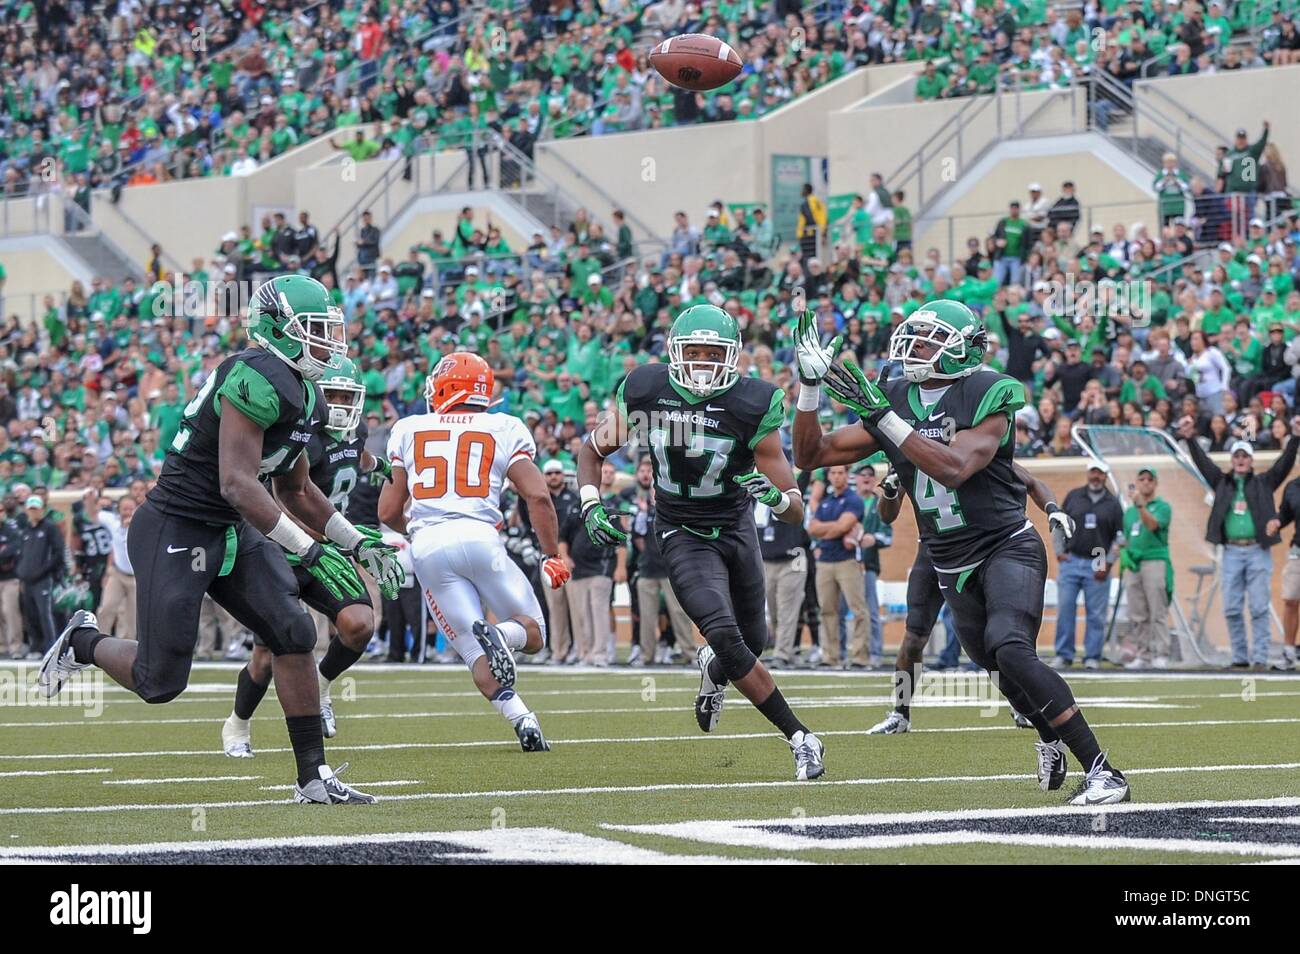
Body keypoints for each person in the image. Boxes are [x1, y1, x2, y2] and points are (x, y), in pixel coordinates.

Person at [37, 275, 404, 806]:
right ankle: (82, 643)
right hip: (177, 523)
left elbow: (296, 488)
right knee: (159, 681)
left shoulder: (305, 394)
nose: (329, 343)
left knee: (293, 632)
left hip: (231, 528)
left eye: (331, 331)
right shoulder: (255, 375)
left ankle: (312, 778)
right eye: (316, 331)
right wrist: (309, 548)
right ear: (277, 328)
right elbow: (236, 482)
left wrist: (352, 540)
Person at [793, 301, 1130, 804]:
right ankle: (1049, 738)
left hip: (1004, 545)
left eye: (929, 339)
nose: (914, 348)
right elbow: (810, 455)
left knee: (1011, 646)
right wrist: (809, 388)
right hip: (946, 557)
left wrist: (885, 418)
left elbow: (953, 467)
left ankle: (1104, 772)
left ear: (961, 349)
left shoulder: (987, 391)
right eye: (914, 337)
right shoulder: (897, 396)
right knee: (997, 667)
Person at [577, 305, 825, 781]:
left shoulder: (753, 401)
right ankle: (801, 737)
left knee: (752, 643)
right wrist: (591, 504)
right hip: (680, 529)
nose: (704, 363)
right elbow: (592, 450)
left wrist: (775, 499)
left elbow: (797, 508)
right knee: (725, 633)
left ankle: (714, 669)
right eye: (694, 352)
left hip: (734, 527)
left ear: (732, 357)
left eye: (714, 353)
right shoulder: (647, 389)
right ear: (674, 352)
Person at [379, 352, 571, 751]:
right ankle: (516, 687)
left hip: (429, 545)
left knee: (472, 649)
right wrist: (551, 553)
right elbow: (538, 496)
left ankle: (519, 713)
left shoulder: (409, 428)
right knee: (535, 634)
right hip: (481, 538)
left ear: (446, 387)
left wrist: (418, 531)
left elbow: (387, 511)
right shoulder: (503, 426)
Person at [221, 353, 392, 757]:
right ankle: (237, 724)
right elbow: (281, 500)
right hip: (284, 549)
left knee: (359, 625)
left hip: (329, 548)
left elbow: (357, 457)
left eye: (348, 397)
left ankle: (323, 687)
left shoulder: (356, 430)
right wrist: (324, 539)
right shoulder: (301, 435)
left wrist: (378, 466)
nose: (341, 406)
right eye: (332, 395)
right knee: (265, 656)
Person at [868, 461, 1071, 735]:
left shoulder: (973, 447)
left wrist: (1052, 510)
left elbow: (1031, 481)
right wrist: (890, 491)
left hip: (979, 549)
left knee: (1000, 635)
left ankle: (1020, 700)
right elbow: (886, 516)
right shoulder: (913, 452)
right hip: (934, 552)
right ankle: (900, 712)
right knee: (915, 635)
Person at [1179, 416, 1300, 668]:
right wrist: (1190, 438)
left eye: (1245, 456)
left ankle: (1259, 658)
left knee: (1258, 607)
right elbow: (1203, 463)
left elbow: (1284, 464)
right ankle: (1240, 658)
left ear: (1251, 460)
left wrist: (1296, 437)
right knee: (1232, 608)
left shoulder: (1264, 483)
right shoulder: (1222, 482)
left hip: (1257, 550)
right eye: (1237, 457)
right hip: (1232, 551)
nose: (1241, 460)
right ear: (1232, 461)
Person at [1052, 462, 1124, 670]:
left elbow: (1119, 537)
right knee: (1065, 608)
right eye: (1093, 472)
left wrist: (1107, 563)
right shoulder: (1074, 496)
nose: (1096, 476)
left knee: (1096, 614)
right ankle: (1064, 655)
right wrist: (1059, 551)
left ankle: (1092, 656)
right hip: (1072, 558)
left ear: (1105, 476)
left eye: (1100, 473)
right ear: (1088, 474)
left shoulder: (1113, 503)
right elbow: (1059, 524)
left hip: (1098, 557)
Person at [809, 464, 869, 668]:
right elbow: (812, 527)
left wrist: (826, 530)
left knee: (858, 610)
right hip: (825, 561)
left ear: (847, 475)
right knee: (827, 611)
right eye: (833, 473)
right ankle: (830, 656)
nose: (836, 476)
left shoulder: (854, 500)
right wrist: (835, 529)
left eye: (840, 473)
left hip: (847, 561)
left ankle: (860, 657)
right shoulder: (826, 501)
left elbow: (843, 526)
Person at [630, 487, 696, 665]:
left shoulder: (674, 510)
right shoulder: (646, 512)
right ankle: (646, 655)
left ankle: (690, 653)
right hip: (648, 569)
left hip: (670, 569)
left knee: (679, 612)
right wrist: (642, 513)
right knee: (647, 615)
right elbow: (637, 535)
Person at [1119, 467, 1172, 669]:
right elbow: (1127, 536)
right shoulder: (1129, 512)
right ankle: (1143, 653)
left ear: (1156, 483)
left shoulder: (1163, 507)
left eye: (1150, 479)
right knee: (1137, 612)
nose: (1146, 482)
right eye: (1142, 479)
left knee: (1157, 610)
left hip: (1155, 561)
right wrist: (1124, 552)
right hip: (1134, 564)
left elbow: (1152, 526)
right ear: (1137, 482)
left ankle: (1161, 653)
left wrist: (1140, 505)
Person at [17, 494, 65, 657]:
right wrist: (21, 573)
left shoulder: (49, 528)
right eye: (30, 509)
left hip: (43, 579)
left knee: (45, 613)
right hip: (27, 580)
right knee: (30, 615)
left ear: (42, 510)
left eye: (36, 509)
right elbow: (22, 554)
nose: (33, 512)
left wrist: (44, 571)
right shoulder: (26, 531)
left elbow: (58, 553)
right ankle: (35, 647)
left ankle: (51, 647)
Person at [94, 496, 136, 640]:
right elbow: (92, 513)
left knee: (131, 616)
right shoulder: (112, 522)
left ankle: (127, 648)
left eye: (131, 509)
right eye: (125, 509)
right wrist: (90, 498)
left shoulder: (143, 524)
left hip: (137, 576)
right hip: (118, 573)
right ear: (118, 510)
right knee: (106, 607)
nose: (128, 512)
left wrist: (133, 525)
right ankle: (99, 643)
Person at [1273, 471, 1300, 671]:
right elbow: (1285, 515)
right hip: (1298, 550)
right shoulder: (1293, 487)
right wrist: (1276, 523)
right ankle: (1289, 652)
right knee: (1290, 599)